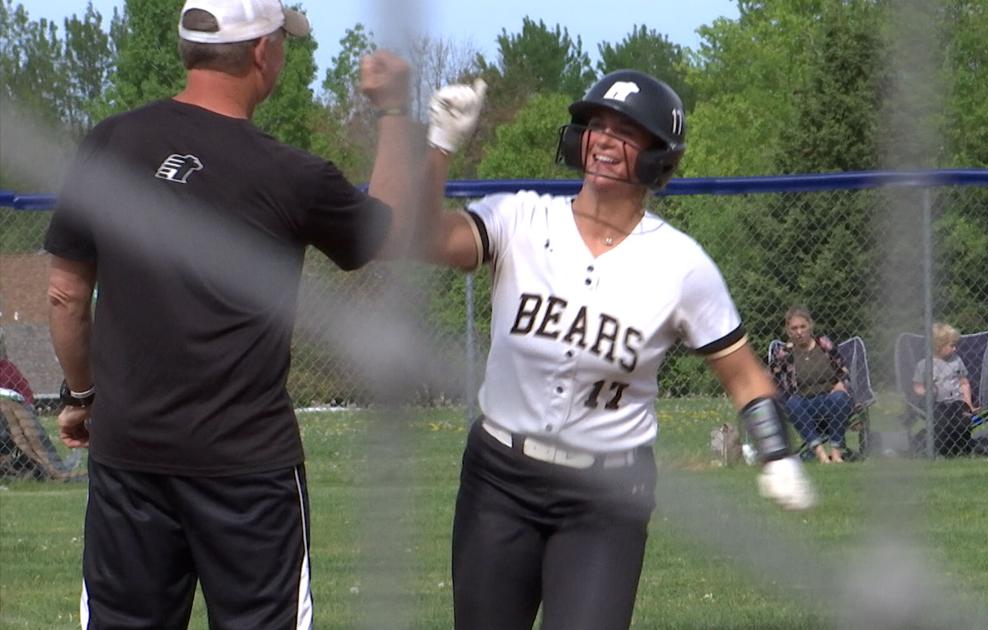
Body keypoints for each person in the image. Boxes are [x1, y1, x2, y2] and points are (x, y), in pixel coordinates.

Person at [43, 1, 415, 626]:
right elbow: (390, 233)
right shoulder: (291, 173)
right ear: (263, 53)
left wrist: (81, 395)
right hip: (248, 471)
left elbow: (65, 294)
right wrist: (395, 111)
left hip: (130, 457)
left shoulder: (110, 142)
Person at [413, 69, 816, 630]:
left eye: (626, 132)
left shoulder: (681, 265)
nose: (603, 140)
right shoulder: (519, 218)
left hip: (606, 497)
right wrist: (440, 145)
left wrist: (776, 455)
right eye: (596, 126)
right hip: (500, 479)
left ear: (660, 157)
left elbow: (745, 376)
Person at [771, 306, 852, 463]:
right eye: (794, 328)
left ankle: (836, 453)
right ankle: (820, 453)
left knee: (841, 398)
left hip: (830, 398)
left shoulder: (823, 344)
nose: (799, 332)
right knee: (792, 404)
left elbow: (844, 368)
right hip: (803, 403)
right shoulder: (784, 353)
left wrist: (842, 382)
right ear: (788, 331)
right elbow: (774, 380)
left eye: (803, 327)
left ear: (810, 326)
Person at [912, 322, 976, 457]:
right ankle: (940, 449)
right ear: (938, 346)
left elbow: (964, 382)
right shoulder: (924, 364)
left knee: (963, 417)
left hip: (956, 400)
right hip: (936, 402)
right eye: (951, 346)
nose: (955, 349)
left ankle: (963, 448)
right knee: (941, 418)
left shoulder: (957, 361)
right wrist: (926, 392)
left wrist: (968, 403)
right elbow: (917, 386)